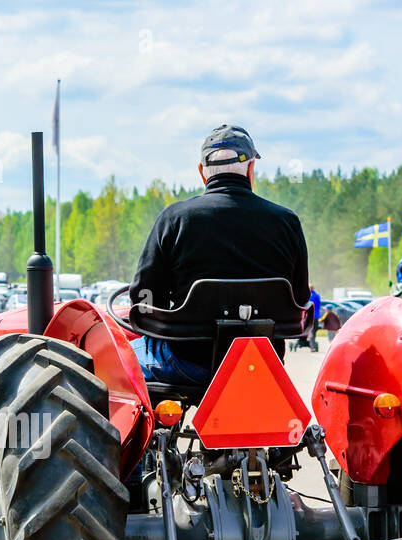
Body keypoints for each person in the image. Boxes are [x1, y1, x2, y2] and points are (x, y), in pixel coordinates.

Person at [128, 124, 310, 387]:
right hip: (261, 362)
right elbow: (300, 298)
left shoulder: (174, 219)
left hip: (186, 364)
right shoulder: (287, 222)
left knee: (113, 358)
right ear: (250, 170)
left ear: (203, 173)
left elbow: (145, 299)